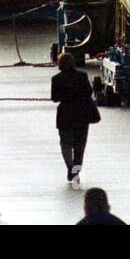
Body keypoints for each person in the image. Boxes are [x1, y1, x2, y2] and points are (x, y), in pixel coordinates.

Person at [51, 51, 99, 186]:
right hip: (82, 115)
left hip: (65, 115)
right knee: (79, 147)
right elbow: (89, 92)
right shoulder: (82, 76)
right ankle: (76, 171)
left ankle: (69, 168)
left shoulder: (56, 79)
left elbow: (55, 98)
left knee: (65, 144)